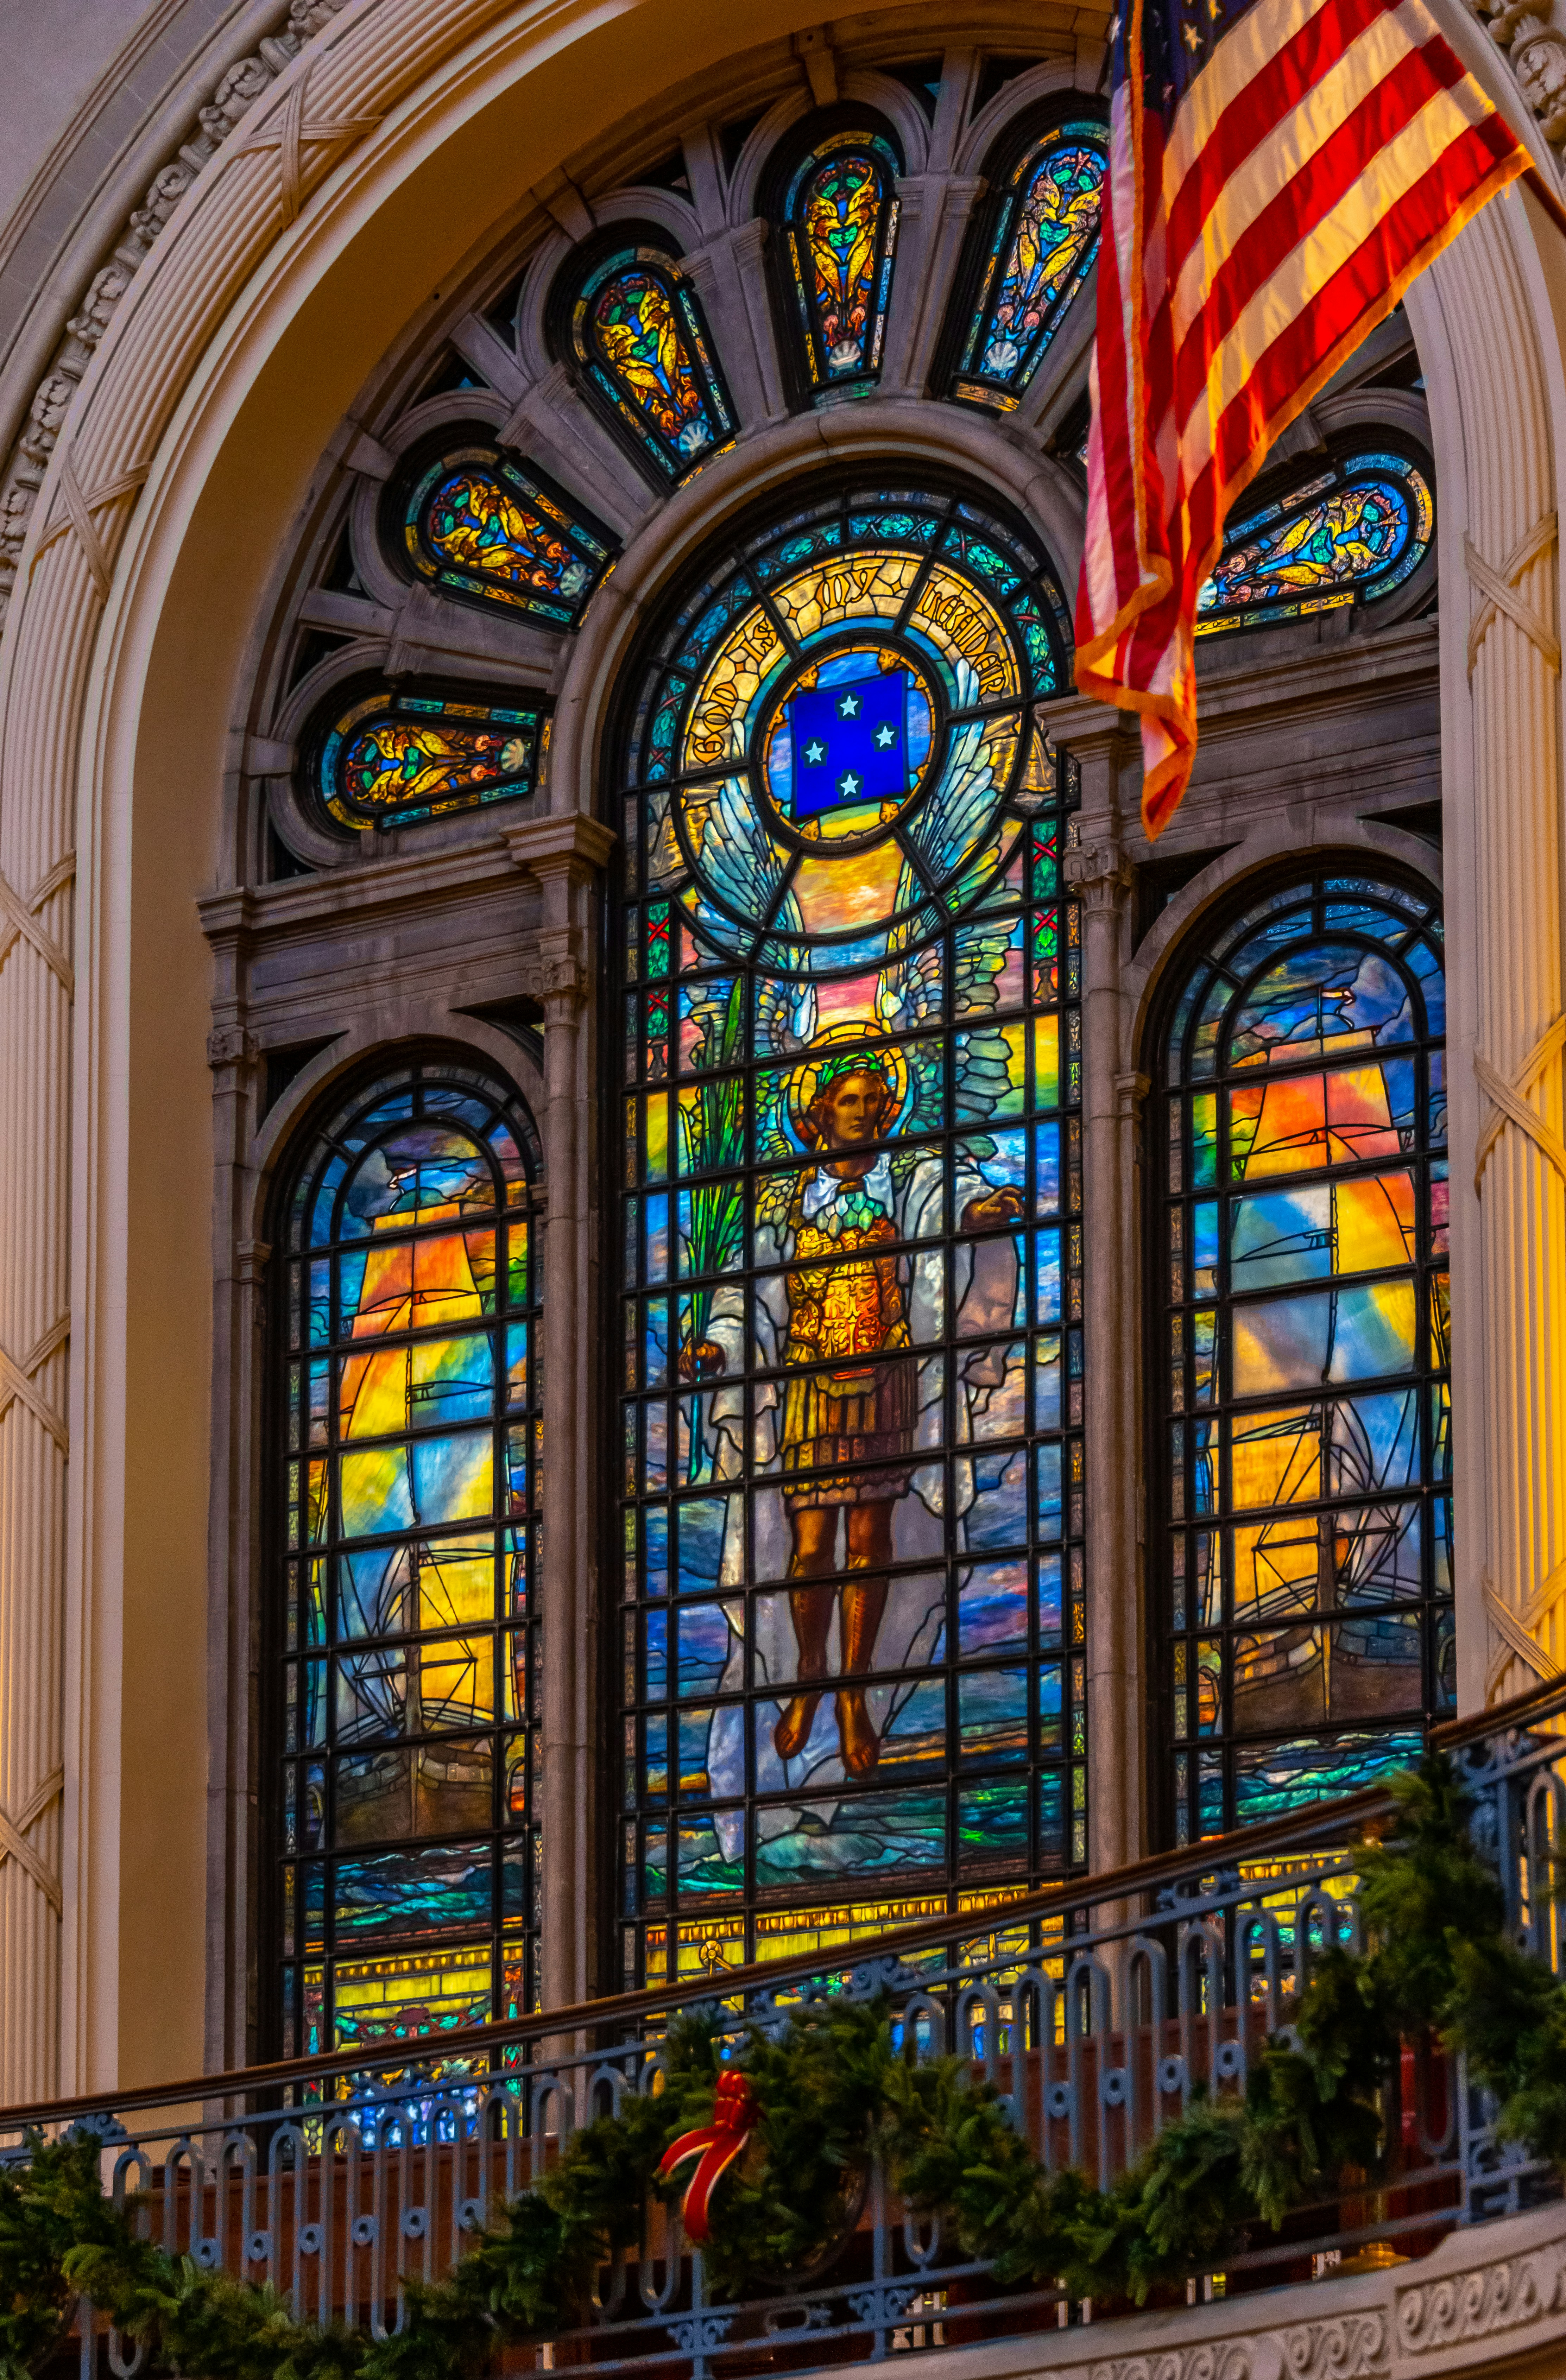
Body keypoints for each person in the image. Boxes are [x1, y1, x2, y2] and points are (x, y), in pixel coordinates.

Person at [682, 1033, 1021, 1778]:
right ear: (817, 1115)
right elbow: (748, 1293)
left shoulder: (909, 1182)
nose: (863, 1112)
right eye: (848, 1100)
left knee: (870, 1543)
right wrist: (717, 1345)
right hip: (808, 1381)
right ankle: (808, 1675)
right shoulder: (781, 1202)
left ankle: (853, 1694)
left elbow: (947, 1204)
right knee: (810, 1549)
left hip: (886, 1380)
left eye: (874, 1100)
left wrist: (980, 1211)